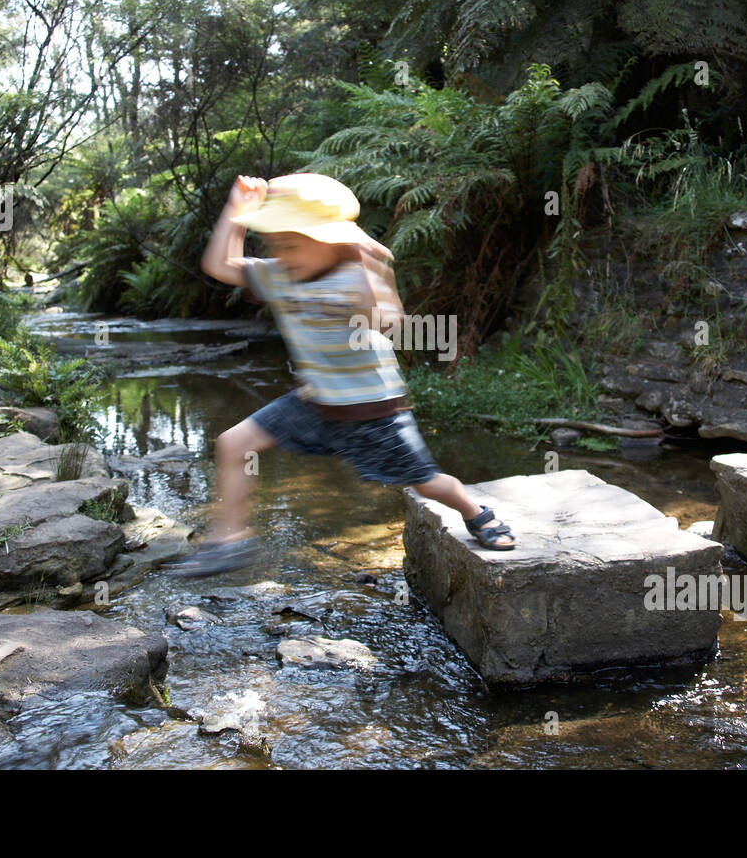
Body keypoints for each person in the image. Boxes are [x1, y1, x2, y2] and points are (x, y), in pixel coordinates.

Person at [162, 172, 515, 576]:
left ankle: (474, 509)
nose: (283, 252)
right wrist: (237, 212)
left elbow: (388, 323)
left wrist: (372, 269)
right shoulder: (279, 275)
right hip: (317, 403)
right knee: (233, 444)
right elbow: (219, 264)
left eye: (294, 242)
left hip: (373, 411)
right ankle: (229, 541)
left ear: (330, 239)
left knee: (426, 482)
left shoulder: (353, 276)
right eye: (276, 242)